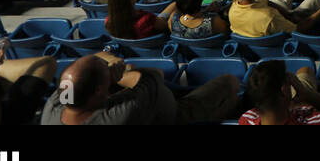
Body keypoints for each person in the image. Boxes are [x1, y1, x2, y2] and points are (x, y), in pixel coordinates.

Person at [43, 52, 238, 125]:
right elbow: (155, 75)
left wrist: (106, 77)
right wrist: (117, 73)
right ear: (98, 91)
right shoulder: (124, 112)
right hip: (175, 115)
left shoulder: (56, 105)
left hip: (151, 104)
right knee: (230, 82)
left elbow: (79, 76)